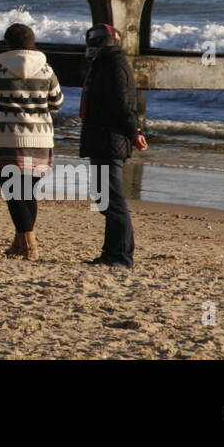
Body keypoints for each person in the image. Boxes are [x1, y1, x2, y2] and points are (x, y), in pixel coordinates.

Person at [0, 23, 64, 261]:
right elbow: (57, 103)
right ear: (32, 41)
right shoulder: (46, 70)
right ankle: (19, 243)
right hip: (40, 137)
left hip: (8, 137)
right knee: (28, 192)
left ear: (8, 42)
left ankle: (30, 243)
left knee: (14, 193)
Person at [79, 23, 148, 269]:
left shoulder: (115, 65)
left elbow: (123, 104)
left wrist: (135, 131)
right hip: (101, 139)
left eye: (96, 43)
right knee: (104, 197)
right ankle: (110, 253)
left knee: (113, 199)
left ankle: (122, 256)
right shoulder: (104, 64)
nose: (92, 47)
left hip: (110, 140)